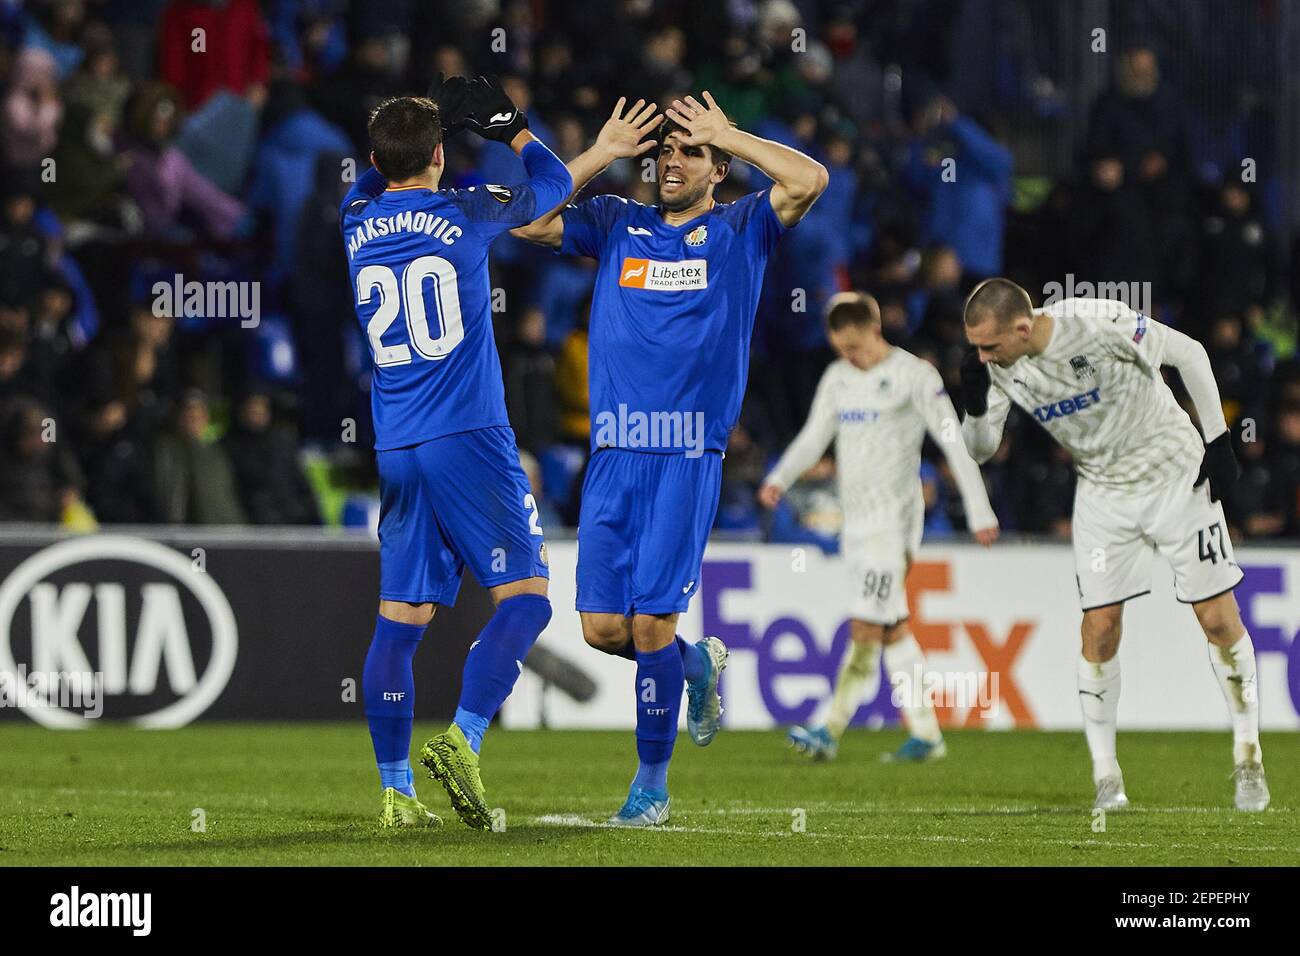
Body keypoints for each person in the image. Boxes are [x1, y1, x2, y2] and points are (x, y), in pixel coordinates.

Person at [514, 91, 827, 825]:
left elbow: (809, 181)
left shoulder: (742, 226)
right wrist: (599, 154)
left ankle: (650, 787)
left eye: (689, 151)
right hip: (613, 456)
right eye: (664, 152)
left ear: (719, 169)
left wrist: (731, 133)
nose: (670, 161)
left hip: (686, 456)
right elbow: (526, 219)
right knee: (602, 629)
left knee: (650, 623)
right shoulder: (618, 221)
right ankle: (695, 664)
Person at [341, 76, 572, 829]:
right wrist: (510, 128)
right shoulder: (467, 211)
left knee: (399, 624)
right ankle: (465, 740)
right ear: (442, 155)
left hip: (397, 445)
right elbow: (555, 181)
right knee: (527, 600)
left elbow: (389, 160)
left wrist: (412, 128)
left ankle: (395, 792)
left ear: (376, 158)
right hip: (469, 435)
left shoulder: (354, 218)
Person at [959, 279, 1268, 812]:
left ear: (1023, 327)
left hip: (1174, 474)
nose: (983, 356)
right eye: (977, 349)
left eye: (989, 346)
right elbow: (981, 451)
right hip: (1103, 492)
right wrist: (972, 405)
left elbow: (1188, 353)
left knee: (1217, 618)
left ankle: (1248, 757)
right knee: (1099, 628)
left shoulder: (1096, 321)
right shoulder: (998, 369)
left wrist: (1217, 441)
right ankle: (1107, 777)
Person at [758, 292, 999, 762]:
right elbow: (815, 435)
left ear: (875, 329)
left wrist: (979, 509)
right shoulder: (838, 378)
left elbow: (951, 441)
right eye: (841, 349)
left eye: (855, 346)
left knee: (867, 623)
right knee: (891, 627)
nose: (849, 356)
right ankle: (927, 736)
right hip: (856, 523)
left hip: (895, 522)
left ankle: (828, 729)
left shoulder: (915, 376)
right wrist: (779, 477)